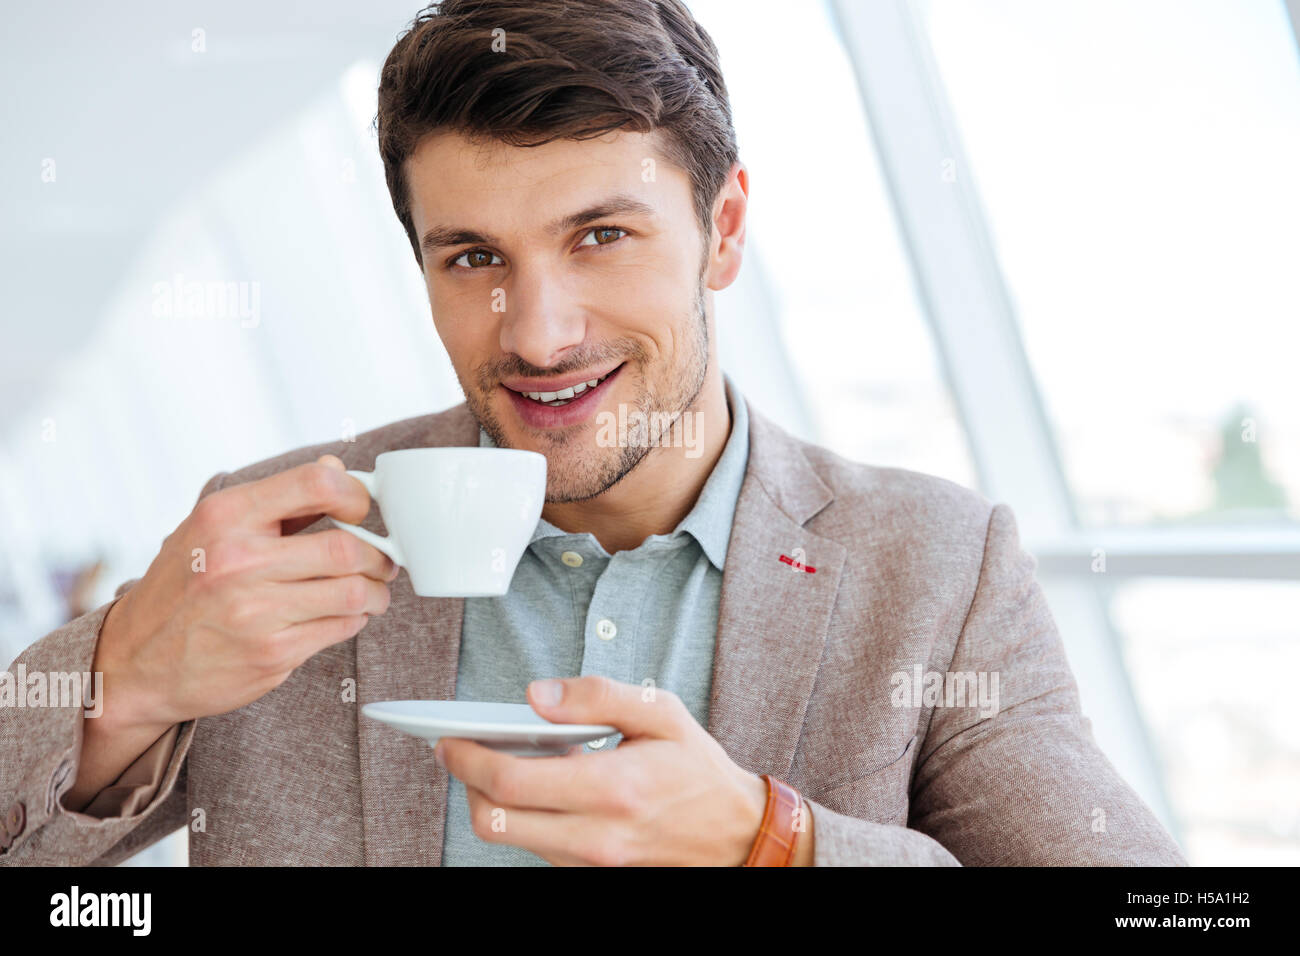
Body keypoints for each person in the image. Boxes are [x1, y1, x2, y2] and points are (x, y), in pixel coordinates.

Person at [0, 0, 1186, 866]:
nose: (540, 333)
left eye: (601, 236)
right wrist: (124, 676)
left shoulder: (930, 566)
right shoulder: (277, 533)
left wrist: (772, 842)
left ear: (722, 231)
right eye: (473, 257)